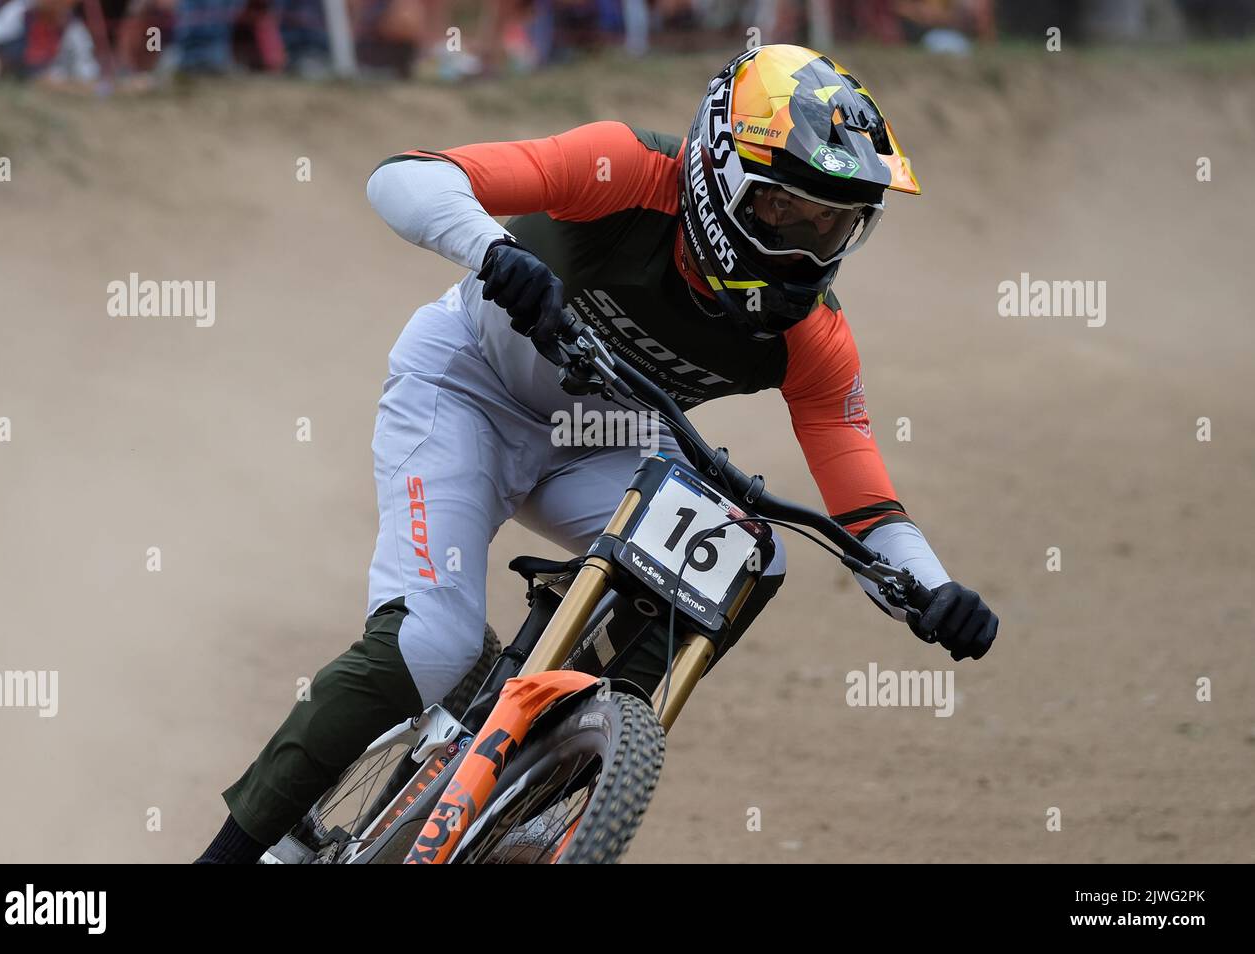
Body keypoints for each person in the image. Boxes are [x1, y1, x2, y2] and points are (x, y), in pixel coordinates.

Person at [196, 43, 1000, 864]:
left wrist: (932, 593)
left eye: (834, 224)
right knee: (429, 643)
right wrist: (494, 252)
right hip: (466, 391)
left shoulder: (814, 338)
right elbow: (403, 176)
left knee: (752, 556)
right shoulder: (623, 169)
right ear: (722, 177)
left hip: (606, 444)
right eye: (789, 211)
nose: (808, 247)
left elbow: (865, 506)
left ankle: (547, 765)